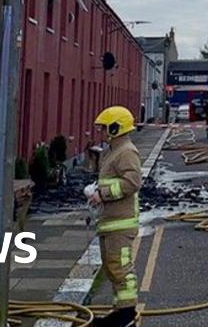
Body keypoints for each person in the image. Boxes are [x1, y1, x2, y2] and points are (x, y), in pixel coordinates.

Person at [88, 106, 143, 327]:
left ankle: (126, 315)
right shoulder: (113, 150)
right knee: (112, 266)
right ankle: (119, 311)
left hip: (120, 222)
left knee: (120, 268)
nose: (102, 132)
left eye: (104, 128)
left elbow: (132, 182)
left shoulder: (126, 151)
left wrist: (104, 194)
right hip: (110, 221)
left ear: (115, 127)